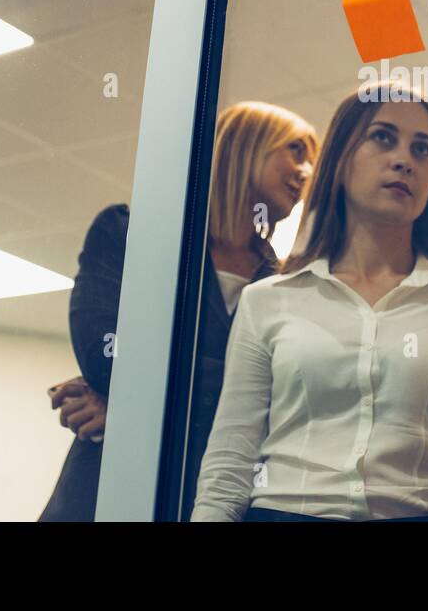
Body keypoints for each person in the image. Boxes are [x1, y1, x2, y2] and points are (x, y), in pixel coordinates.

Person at [192, 83, 428, 521]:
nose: (404, 159)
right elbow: (229, 464)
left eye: (422, 149)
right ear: (340, 157)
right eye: (383, 137)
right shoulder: (267, 301)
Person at [38, 102, 317, 521]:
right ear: (244, 147)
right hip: (109, 490)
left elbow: (281, 398)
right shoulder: (134, 233)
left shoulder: (284, 285)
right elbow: (105, 354)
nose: (307, 170)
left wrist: (132, 408)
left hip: (212, 500)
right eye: (295, 150)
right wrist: (225, 385)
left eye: (311, 159)